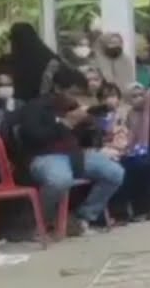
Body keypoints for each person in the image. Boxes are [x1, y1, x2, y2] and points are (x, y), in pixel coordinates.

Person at [19, 65, 125, 235]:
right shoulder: (36, 107)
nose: (75, 98)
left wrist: (90, 125)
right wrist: (64, 123)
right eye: (72, 92)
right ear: (58, 88)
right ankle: (40, 222)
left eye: (79, 94)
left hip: (74, 155)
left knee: (114, 172)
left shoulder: (75, 106)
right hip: (45, 156)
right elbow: (32, 136)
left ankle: (83, 217)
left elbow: (85, 140)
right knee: (60, 180)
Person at [107, 83, 150, 222]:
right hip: (125, 152)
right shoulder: (125, 114)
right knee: (126, 167)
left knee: (143, 165)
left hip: (144, 152)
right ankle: (121, 212)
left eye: (141, 95)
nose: (139, 99)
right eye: (134, 96)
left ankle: (141, 210)